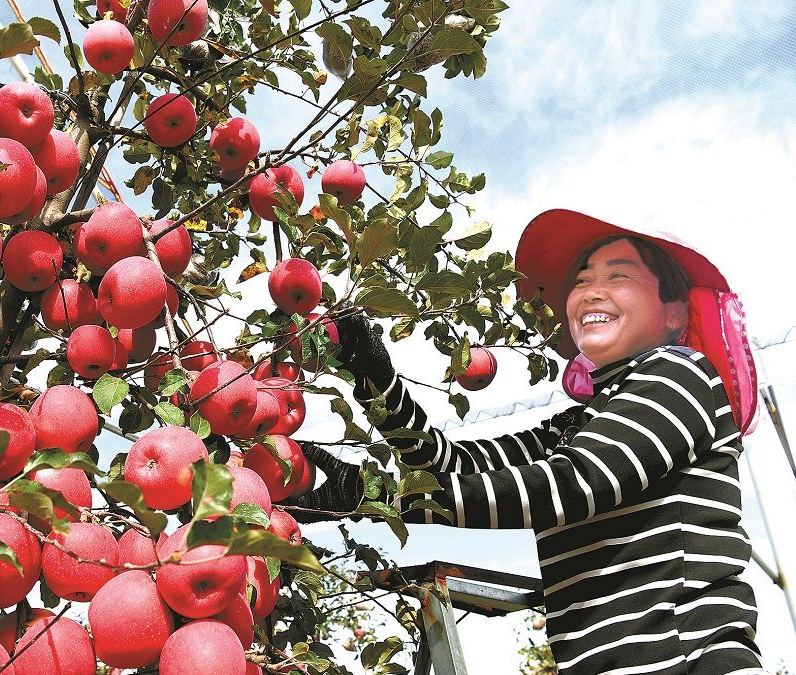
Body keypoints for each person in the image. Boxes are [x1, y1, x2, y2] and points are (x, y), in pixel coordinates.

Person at [290, 209, 766, 674]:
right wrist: (375, 379)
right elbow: (449, 467)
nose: (590, 290)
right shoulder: (575, 426)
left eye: (618, 275)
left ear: (673, 313)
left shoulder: (679, 375)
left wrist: (370, 495)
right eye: (581, 281)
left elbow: (575, 484)